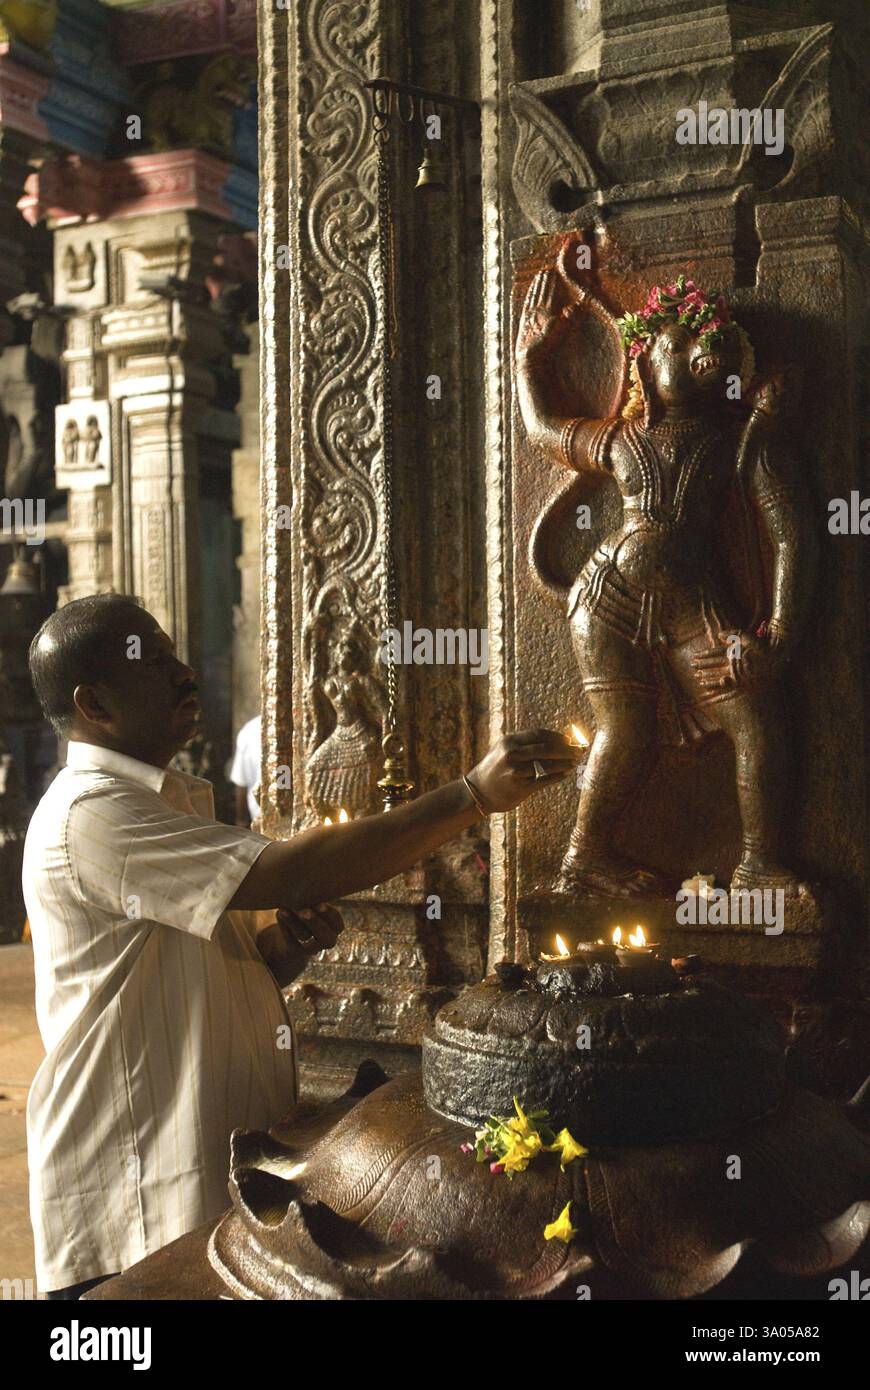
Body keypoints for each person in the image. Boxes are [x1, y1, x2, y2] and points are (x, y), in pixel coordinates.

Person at [23, 593, 580, 1299]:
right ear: (94, 705)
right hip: (134, 1183)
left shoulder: (160, 802)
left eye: (171, 651)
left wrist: (276, 958)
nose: (184, 672)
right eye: (154, 660)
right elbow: (295, 870)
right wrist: (470, 795)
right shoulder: (90, 813)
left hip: (195, 1166)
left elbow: (173, 967)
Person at [229, 712, 261, 827]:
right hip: (258, 822)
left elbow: (241, 785)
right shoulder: (249, 731)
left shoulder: (249, 730)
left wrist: (241, 821)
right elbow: (241, 784)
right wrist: (241, 822)